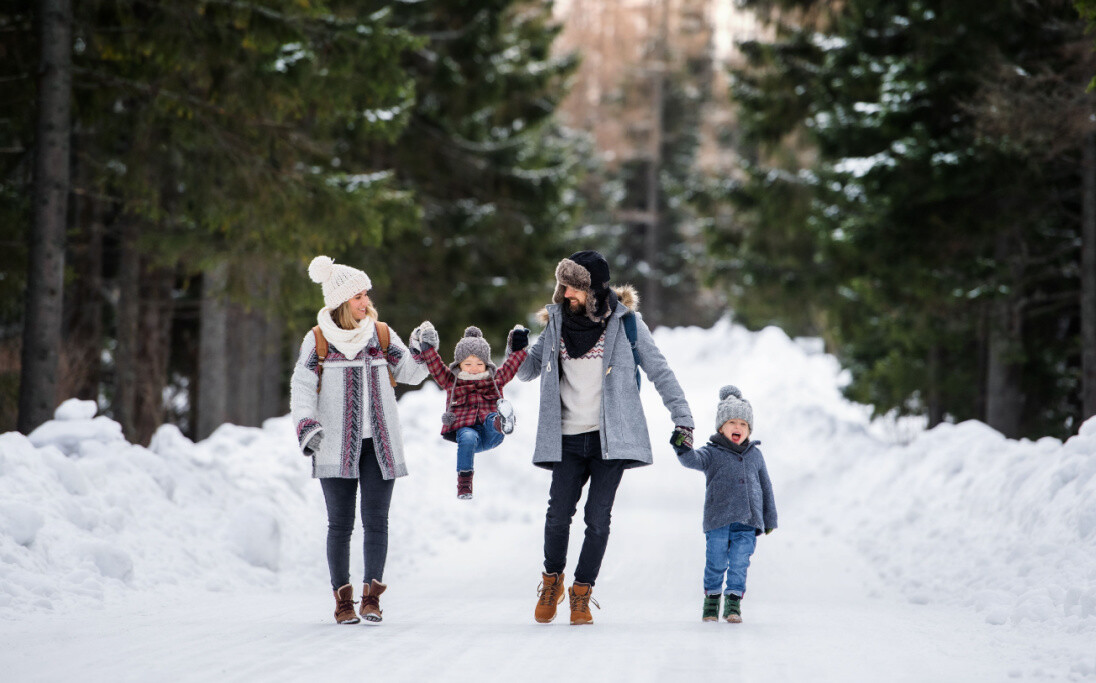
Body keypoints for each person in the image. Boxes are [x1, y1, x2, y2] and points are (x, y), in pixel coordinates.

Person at [516, 250, 694, 625]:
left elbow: (661, 371)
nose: (565, 294)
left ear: (594, 290)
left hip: (609, 439)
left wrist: (683, 419)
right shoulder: (556, 322)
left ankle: (581, 593)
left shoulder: (628, 324)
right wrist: (515, 349)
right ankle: (552, 581)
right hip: (565, 436)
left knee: (597, 519)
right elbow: (527, 371)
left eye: (573, 288)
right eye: (563, 286)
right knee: (557, 515)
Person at [290, 255, 428, 625]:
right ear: (339, 301)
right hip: (333, 445)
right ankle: (343, 601)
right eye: (358, 297)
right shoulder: (317, 340)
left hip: (379, 445)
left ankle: (371, 599)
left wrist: (424, 347)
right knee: (340, 525)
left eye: (366, 295)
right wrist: (307, 426)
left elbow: (411, 373)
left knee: (377, 522)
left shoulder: (380, 335)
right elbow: (302, 387)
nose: (365, 302)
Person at [672, 385, 778, 623]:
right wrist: (681, 447)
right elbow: (692, 460)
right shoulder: (712, 453)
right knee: (716, 562)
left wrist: (769, 518)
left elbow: (766, 487)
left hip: (748, 522)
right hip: (718, 520)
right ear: (721, 427)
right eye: (732, 423)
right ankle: (711, 602)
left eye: (743, 424)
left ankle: (733, 604)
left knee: (740, 563)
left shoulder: (755, 455)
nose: (738, 427)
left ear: (749, 430)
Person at [409, 322, 529, 499]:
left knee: (491, 418)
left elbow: (511, 365)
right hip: (467, 437)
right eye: (468, 363)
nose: (474, 369)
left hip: (491, 434)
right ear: (459, 364)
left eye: (479, 363)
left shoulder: (494, 380)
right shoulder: (452, 381)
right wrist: (427, 347)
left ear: (486, 364)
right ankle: (464, 483)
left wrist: (519, 346)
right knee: (467, 435)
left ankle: (502, 422)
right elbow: (435, 366)